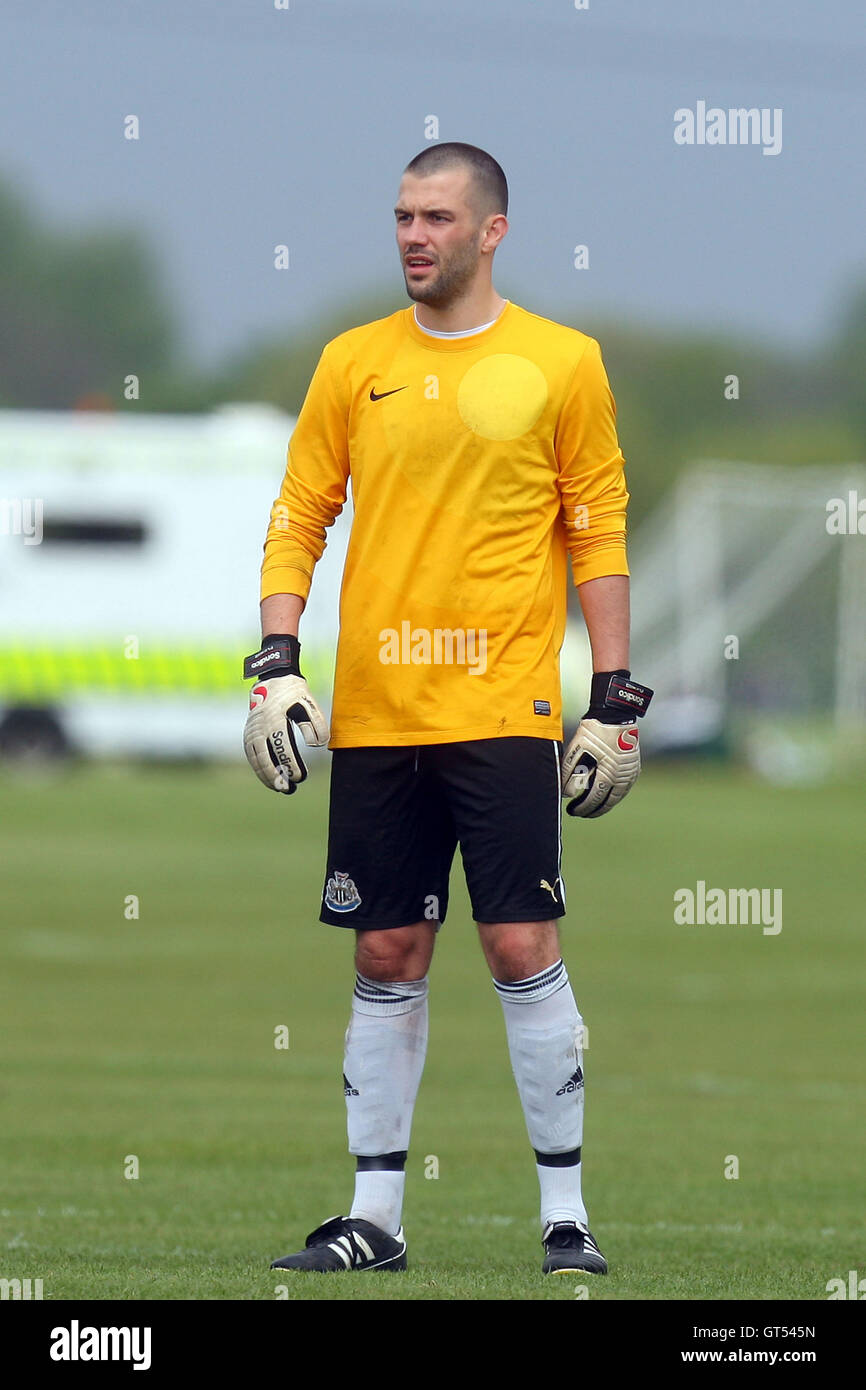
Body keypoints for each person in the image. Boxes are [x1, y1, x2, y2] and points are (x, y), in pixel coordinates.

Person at [243, 142, 652, 1277]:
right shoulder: (350, 362)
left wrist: (611, 696)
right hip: (377, 711)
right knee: (385, 946)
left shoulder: (562, 362)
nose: (412, 236)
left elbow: (596, 525)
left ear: (490, 231)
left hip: (503, 703)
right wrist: (275, 660)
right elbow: (299, 512)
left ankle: (563, 1215)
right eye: (400, 216)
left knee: (518, 937)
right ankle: (374, 1219)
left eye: (434, 217)